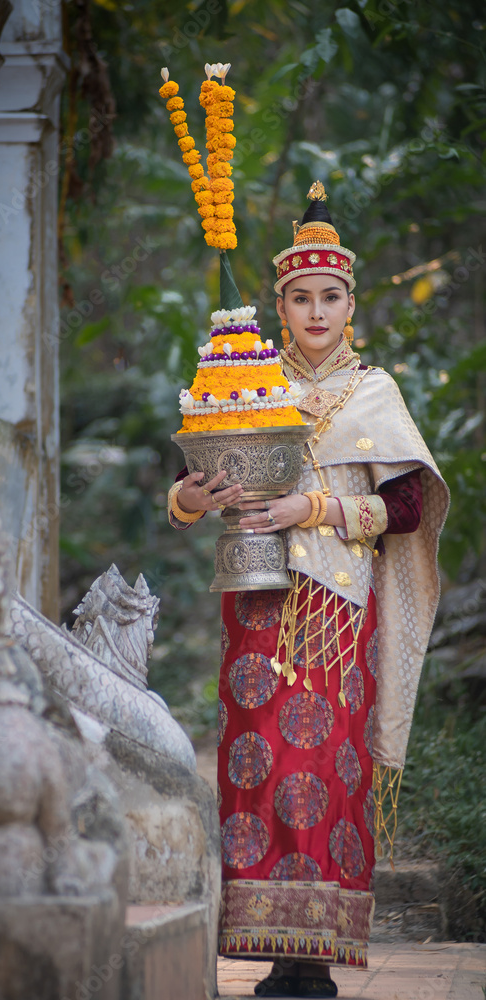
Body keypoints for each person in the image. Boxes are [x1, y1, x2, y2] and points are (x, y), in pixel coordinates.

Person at [168, 183, 449, 998]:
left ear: (349, 304)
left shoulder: (374, 393)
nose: (315, 312)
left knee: (326, 769)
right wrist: (198, 499)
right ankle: (272, 950)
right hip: (257, 603)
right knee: (258, 765)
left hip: (335, 612)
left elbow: (404, 509)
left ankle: (314, 961)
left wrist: (314, 507)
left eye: (329, 297)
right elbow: (181, 488)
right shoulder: (242, 378)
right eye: (300, 298)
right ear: (280, 307)